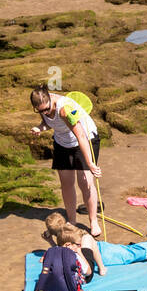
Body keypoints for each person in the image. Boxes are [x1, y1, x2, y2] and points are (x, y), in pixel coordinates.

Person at [30, 84, 102, 236]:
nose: (44, 112)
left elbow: (81, 135)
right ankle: (72, 221)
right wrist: (40, 128)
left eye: (46, 109)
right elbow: (48, 123)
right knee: (66, 183)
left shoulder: (64, 109)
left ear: (50, 100)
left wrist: (89, 163)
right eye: (40, 111)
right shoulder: (43, 104)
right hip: (62, 143)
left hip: (85, 140)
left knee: (85, 182)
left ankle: (93, 221)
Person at [56, 223, 147, 281]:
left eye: (78, 244)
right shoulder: (68, 245)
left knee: (130, 255)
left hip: (107, 254)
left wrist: (101, 268)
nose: (78, 247)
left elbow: (95, 252)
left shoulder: (82, 242)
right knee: (130, 250)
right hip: (105, 249)